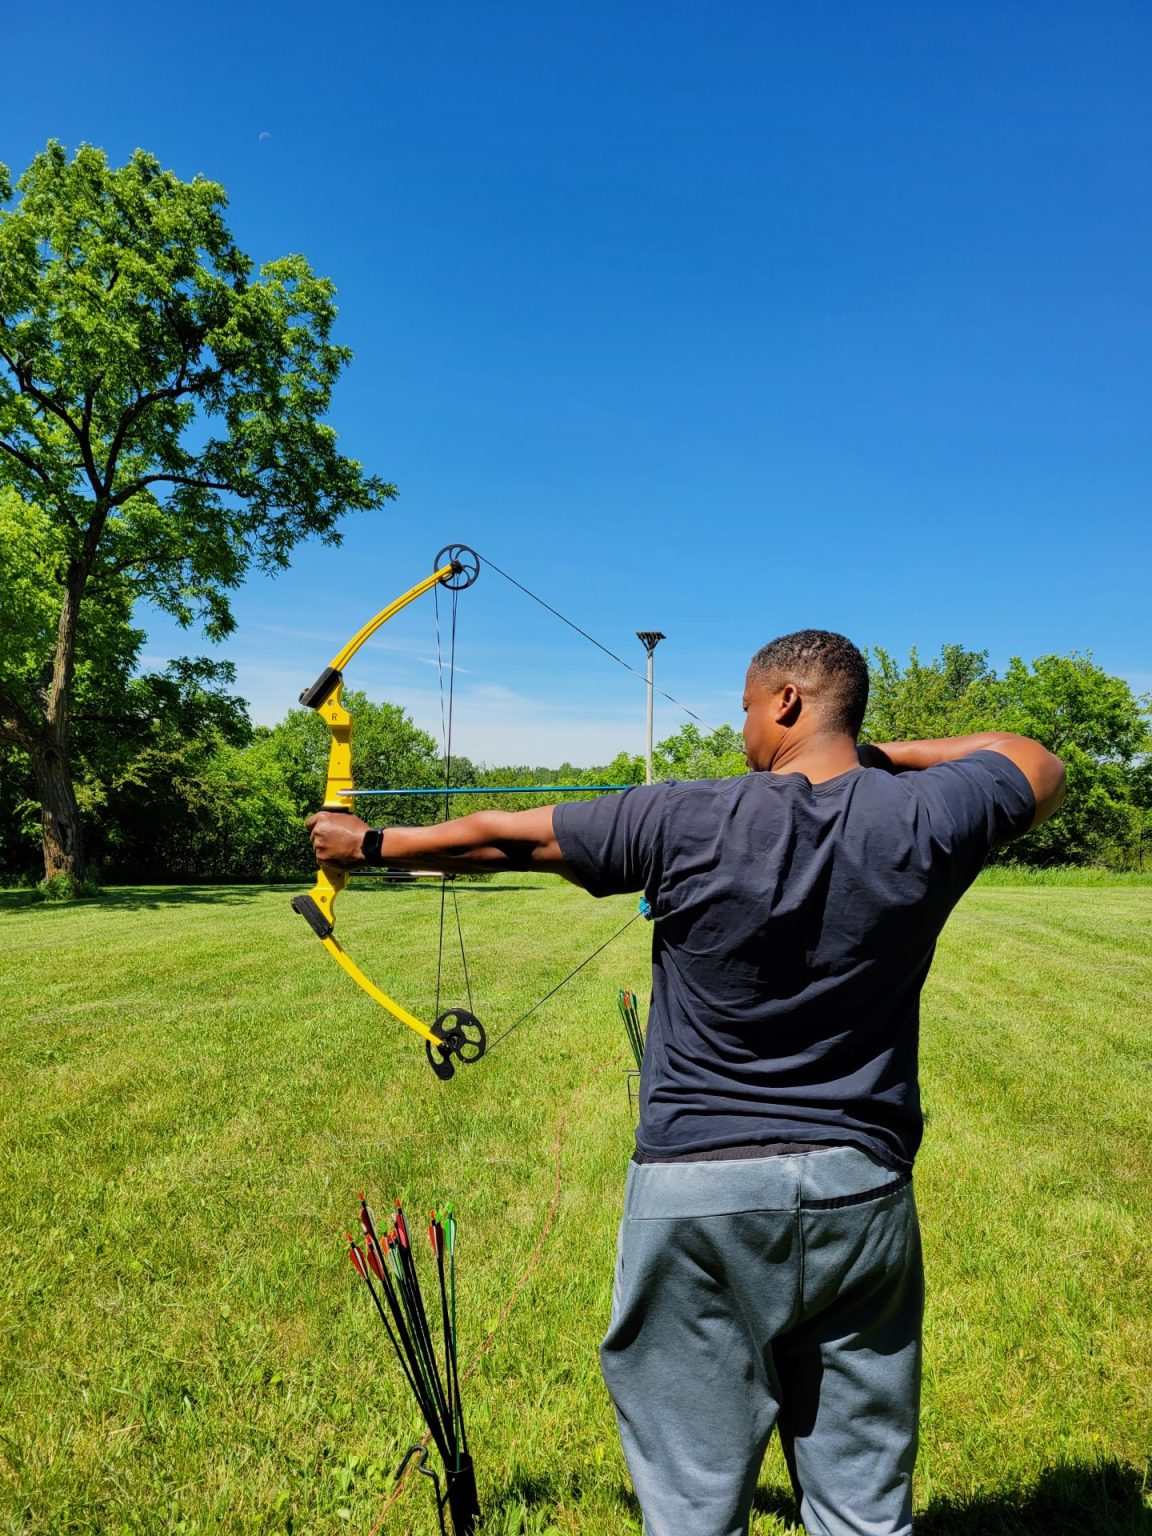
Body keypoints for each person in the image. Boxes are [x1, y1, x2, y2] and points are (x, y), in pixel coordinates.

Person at [307, 629, 1065, 1536]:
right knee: (864, 1509)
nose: (744, 726)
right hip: (859, 1191)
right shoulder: (930, 817)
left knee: (693, 1509)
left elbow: (506, 841)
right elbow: (1033, 761)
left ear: (784, 701)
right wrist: (878, 756)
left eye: (748, 706)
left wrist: (369, 842)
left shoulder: (685, 816)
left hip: (697, 1192)